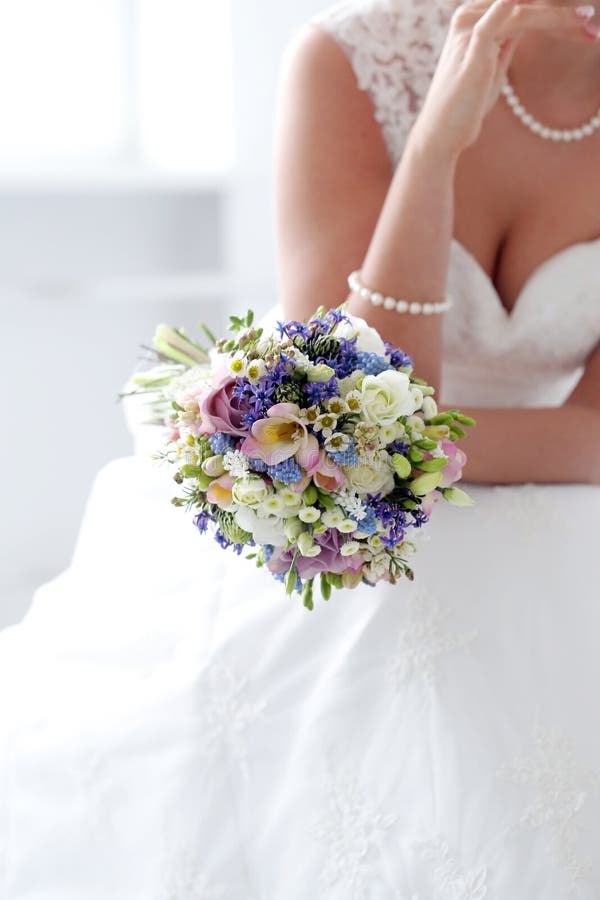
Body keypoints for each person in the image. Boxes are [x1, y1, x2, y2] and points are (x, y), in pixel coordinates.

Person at [1, 0, 600, 896]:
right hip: (330, 501)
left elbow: (581, 435)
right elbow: (354, 385)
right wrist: (434, 148)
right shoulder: (349, 60)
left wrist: (393, 455)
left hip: (502, 490)